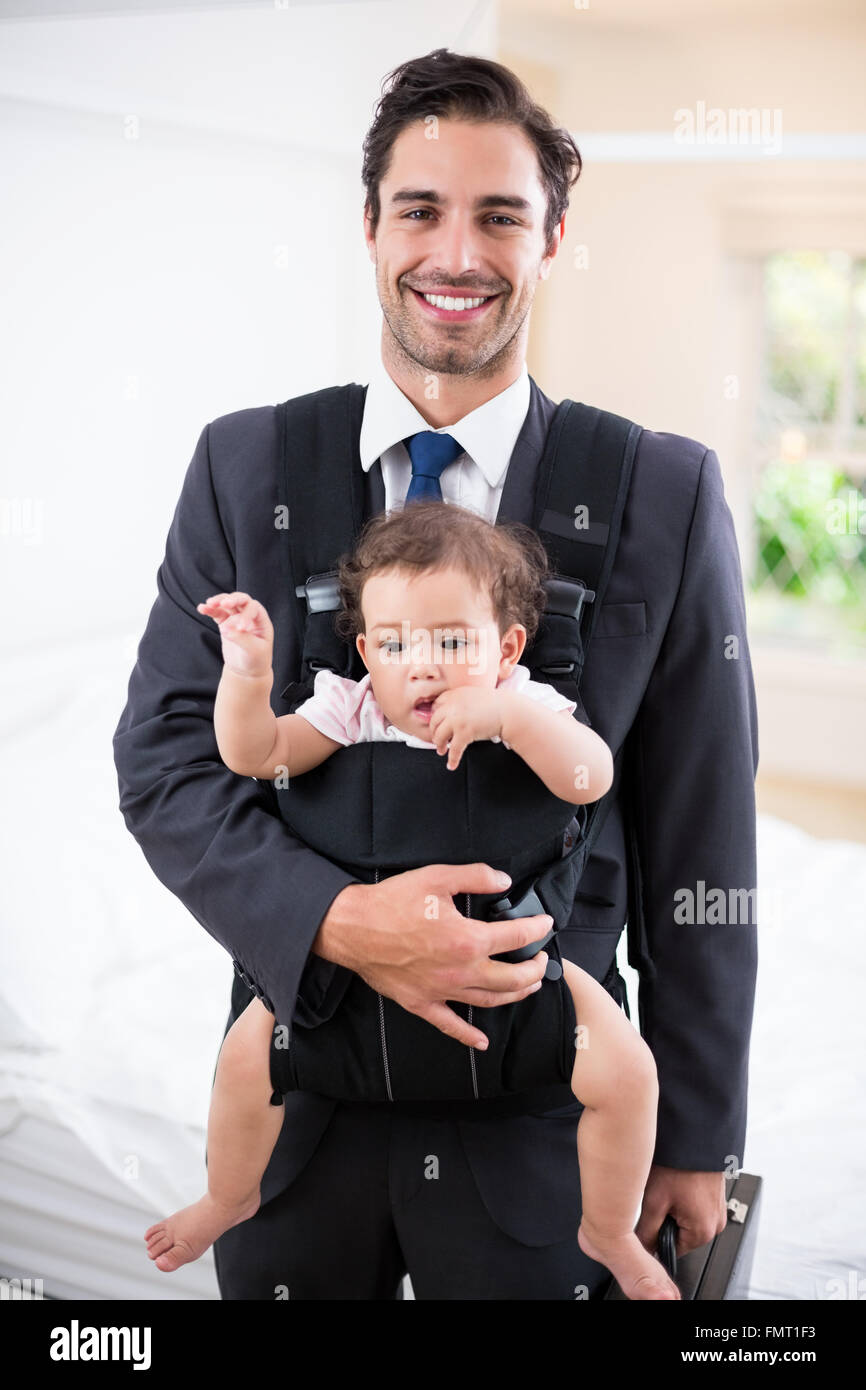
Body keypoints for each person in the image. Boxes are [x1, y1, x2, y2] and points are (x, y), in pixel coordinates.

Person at [113, 48, 758, 1300]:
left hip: (543, 1113)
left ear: (551, 240)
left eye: (499, 216)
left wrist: (695, 1129)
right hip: (299, 1083)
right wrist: (339, 925)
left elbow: (701, 829)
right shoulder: (242, 466)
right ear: (367, 228)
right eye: (418, 209)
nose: (454, 255)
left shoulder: (659, 491)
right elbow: (169, 759)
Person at [143, 502, 680, 1300]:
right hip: (349, 975)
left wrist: (508, 718)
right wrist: (249, 676)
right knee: (246, 1055)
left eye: (451, 642)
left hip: (513, 961)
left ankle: (606, 1228)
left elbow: (589, 778)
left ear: (507, 650)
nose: (420, 666)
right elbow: (256, 754)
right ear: (365, 652)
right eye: (394, 645)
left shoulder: (529, 706)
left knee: (628, 1073)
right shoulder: (351, 708)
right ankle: (231, 1195)